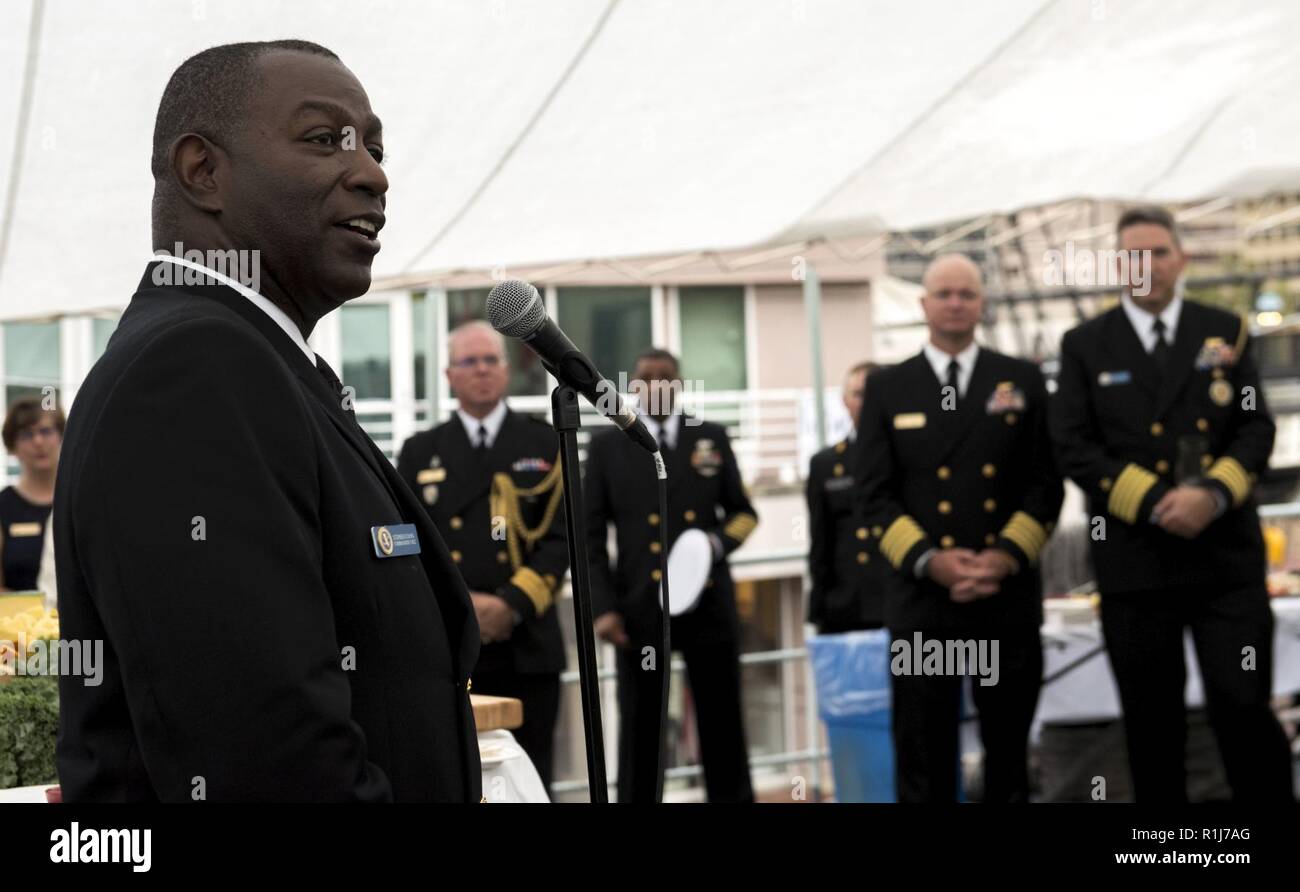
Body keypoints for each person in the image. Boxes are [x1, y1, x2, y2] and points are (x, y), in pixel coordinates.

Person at [54, 40, 480, 802]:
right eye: (325, 140)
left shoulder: (265, 364)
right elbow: (275, 767)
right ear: (202, 172)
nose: (373, 174)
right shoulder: (194, 370)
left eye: (375, 148)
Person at [1050, 205, 1293, 802]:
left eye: (1159, 252)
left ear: (1181, 259)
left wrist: (1210, 494)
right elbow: (1074, 447)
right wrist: (1160, 501)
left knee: (1243, 708)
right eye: (1133, 254)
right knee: (1151, 725)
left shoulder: (1225, 331)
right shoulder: (1085, 345)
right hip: (1137, 565)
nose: (1148, 266)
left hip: (1224, 563)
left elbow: (1255, 430)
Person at [853, 254, 1063, 802]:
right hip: (925, 603)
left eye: (966, 294)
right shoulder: (887, 388)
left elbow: (1046, 485)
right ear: (923, 305)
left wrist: (1003, 557)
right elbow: (873, 496)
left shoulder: (1020, 380)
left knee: (1008, 755)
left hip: (1004, 599)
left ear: (982, 303)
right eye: (943, 294)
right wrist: (931, 561)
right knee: (923, 757)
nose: (954, 303)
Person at [398, 320, 567, 789]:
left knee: (532, 780)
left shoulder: (548, 443)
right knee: (462, 782)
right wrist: (464, 606)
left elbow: (563, 538)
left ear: (507, 370)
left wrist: (511, 603)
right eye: (469, 362)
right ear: (449, 375)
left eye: (491, 360)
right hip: (455, 648)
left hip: (528, 642)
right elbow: (408, 544)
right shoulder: (419, 452)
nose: (481, 371)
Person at [585, 348, 757, 802]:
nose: (657, 385)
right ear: (632, 387)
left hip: (709, 605)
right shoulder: (607, 446)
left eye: (667, 377)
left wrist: (714, 545)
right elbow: (589, 537)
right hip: (638, 612)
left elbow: (743, 514)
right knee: (641, 728)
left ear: (680, 384)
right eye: (646, 378)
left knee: (722, 724)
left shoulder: (711, 437)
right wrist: (602, 609)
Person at [806, 361, 890, 633]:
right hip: (846, 606)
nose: (866, 403)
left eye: (874, 394)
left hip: (900, 603)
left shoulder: (914, 458)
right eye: (858, 394)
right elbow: (821, 543)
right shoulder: (825, 464)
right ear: (844, 401)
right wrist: (819, 607)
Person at [0, 398, 63, 592]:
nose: (38, 441)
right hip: (21, 619)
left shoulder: (79, 502)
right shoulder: (3, 506)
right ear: (11, 446)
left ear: (62, 435)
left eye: (45, 431)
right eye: (26, 435)